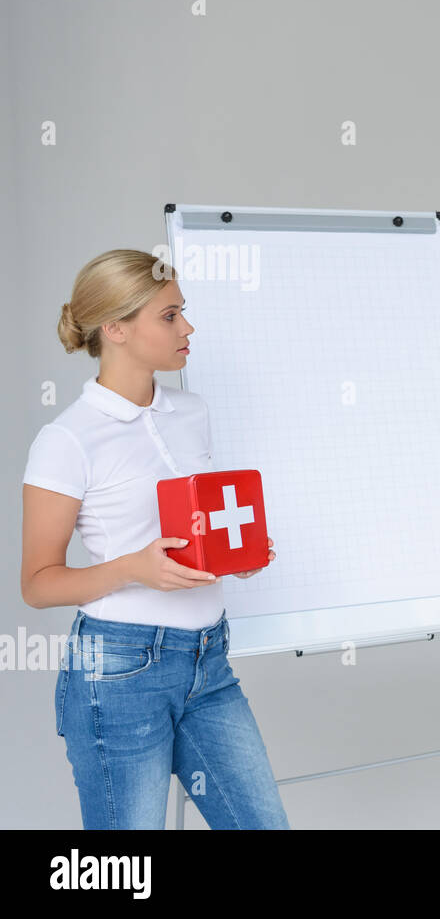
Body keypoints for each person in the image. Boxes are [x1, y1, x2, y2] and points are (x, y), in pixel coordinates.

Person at [20, 249, 289, 829]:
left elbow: (186, 529)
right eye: (170, 316)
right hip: (120, 671)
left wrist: (232, 555)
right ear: (115, 329)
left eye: (183, 312)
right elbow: (38, 585)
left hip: (208, 663)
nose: (187, 327)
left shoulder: (190, 411)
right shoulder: (67, 440)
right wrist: (134, 569)